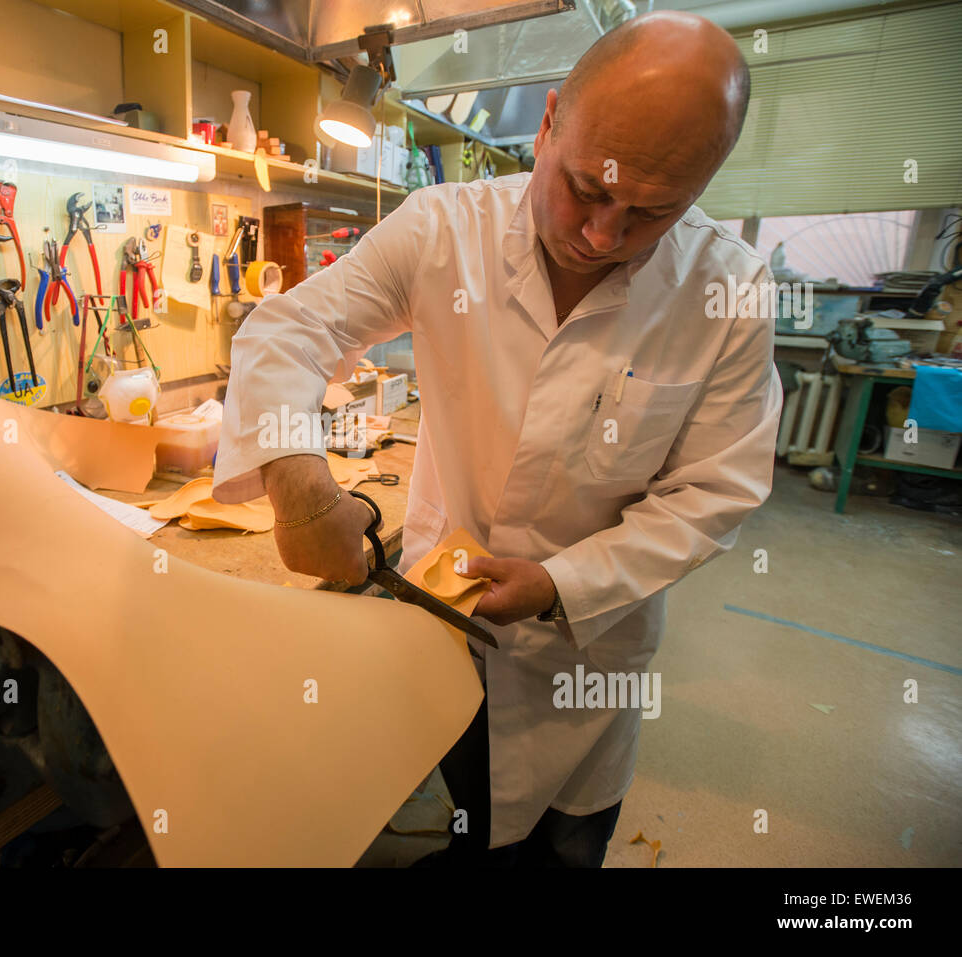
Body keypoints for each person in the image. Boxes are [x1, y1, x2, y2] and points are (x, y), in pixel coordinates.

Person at [213, 10, 783, 866]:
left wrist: (560, 584)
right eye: (588, 188)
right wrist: (300, 488)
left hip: (589, 656)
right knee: (464, 814)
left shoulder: (727, 291)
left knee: (565, 843)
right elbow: (287, 331)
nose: (602, 235)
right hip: (446, 631)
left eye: (650, 212)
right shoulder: (441, 229)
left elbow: (714, 493)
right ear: (550, 120)